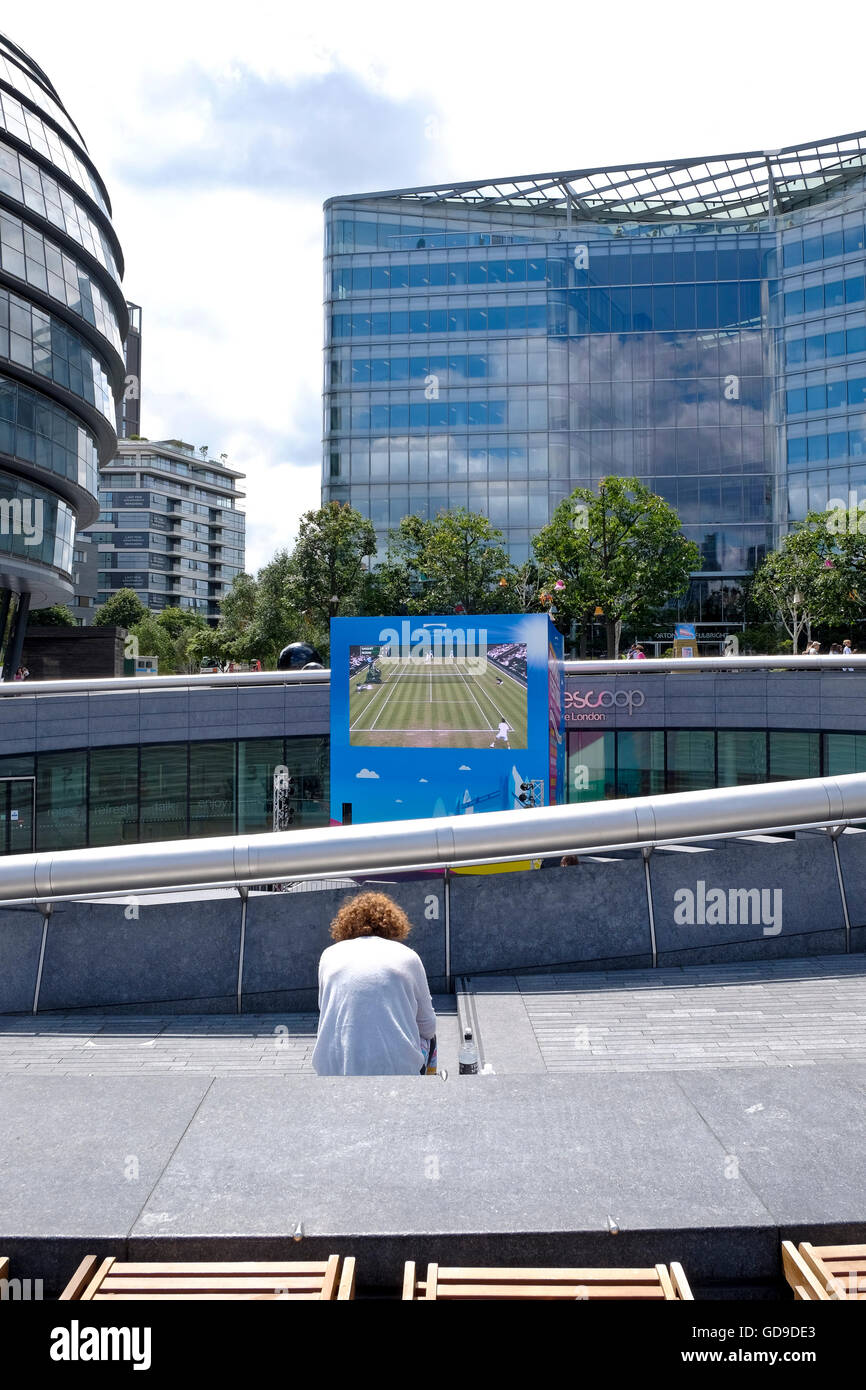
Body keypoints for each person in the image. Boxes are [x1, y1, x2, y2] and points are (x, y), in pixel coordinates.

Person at [312, 892, 437, 1077]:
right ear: (394, 924)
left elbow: (325, 1009)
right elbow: (428, 1026)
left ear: (345, 925)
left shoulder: (329, 955)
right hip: (398, 1072)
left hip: (332, 1070)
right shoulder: (408, 956)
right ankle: (427, 1092)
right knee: (431, 1041)